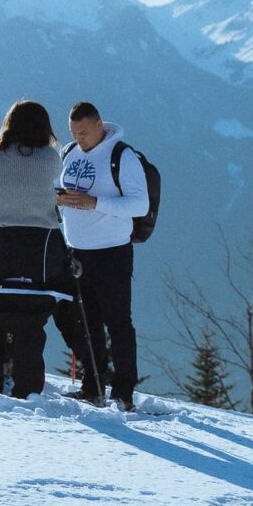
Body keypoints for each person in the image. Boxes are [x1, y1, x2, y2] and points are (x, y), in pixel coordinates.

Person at [0, 99, 75, 399]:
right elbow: (60, 203)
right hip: (41, 255)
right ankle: (29, 386)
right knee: (31, 322)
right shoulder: (52, 159)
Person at [55, 100, 149, 411]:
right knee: (85, 323)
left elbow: (140, 205)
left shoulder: (122, 156)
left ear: (99, 125)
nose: (79, 138)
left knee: (118, 323)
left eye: (83, 132)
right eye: (73, 133)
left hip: (112, 252)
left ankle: (123, 393)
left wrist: (95, 203)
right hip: (76, 251)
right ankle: (92, 387)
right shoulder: (69, 153)